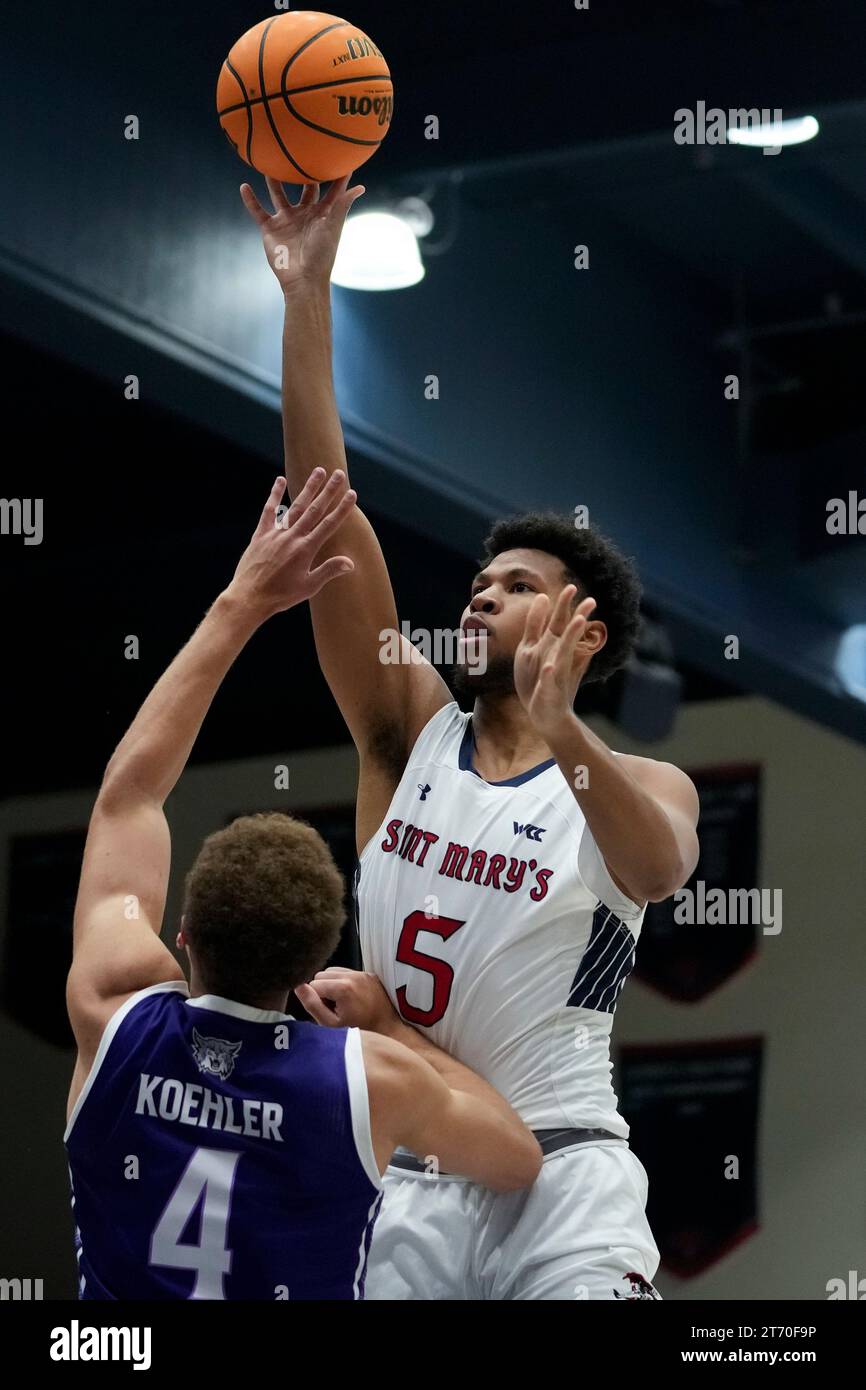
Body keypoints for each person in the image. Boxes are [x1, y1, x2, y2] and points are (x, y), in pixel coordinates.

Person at [242, 173, 701, 1301]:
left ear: (578, 626)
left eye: (515, 584)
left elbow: (658, 867)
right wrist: (307, 293)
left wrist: (562, 732)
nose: (480, 597)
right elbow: (328, 518)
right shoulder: (409, 737)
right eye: (478, 581)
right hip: (412, 1165)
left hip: (563, 1170)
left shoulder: (636, 778)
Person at [64, 470, 542, 1301]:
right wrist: (393, 1022)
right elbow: (516, 1156)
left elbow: (129, 794)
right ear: (305, 972)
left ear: (181, 935)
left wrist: (240, 603)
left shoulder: (114, 1010)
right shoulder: (364, 1078)